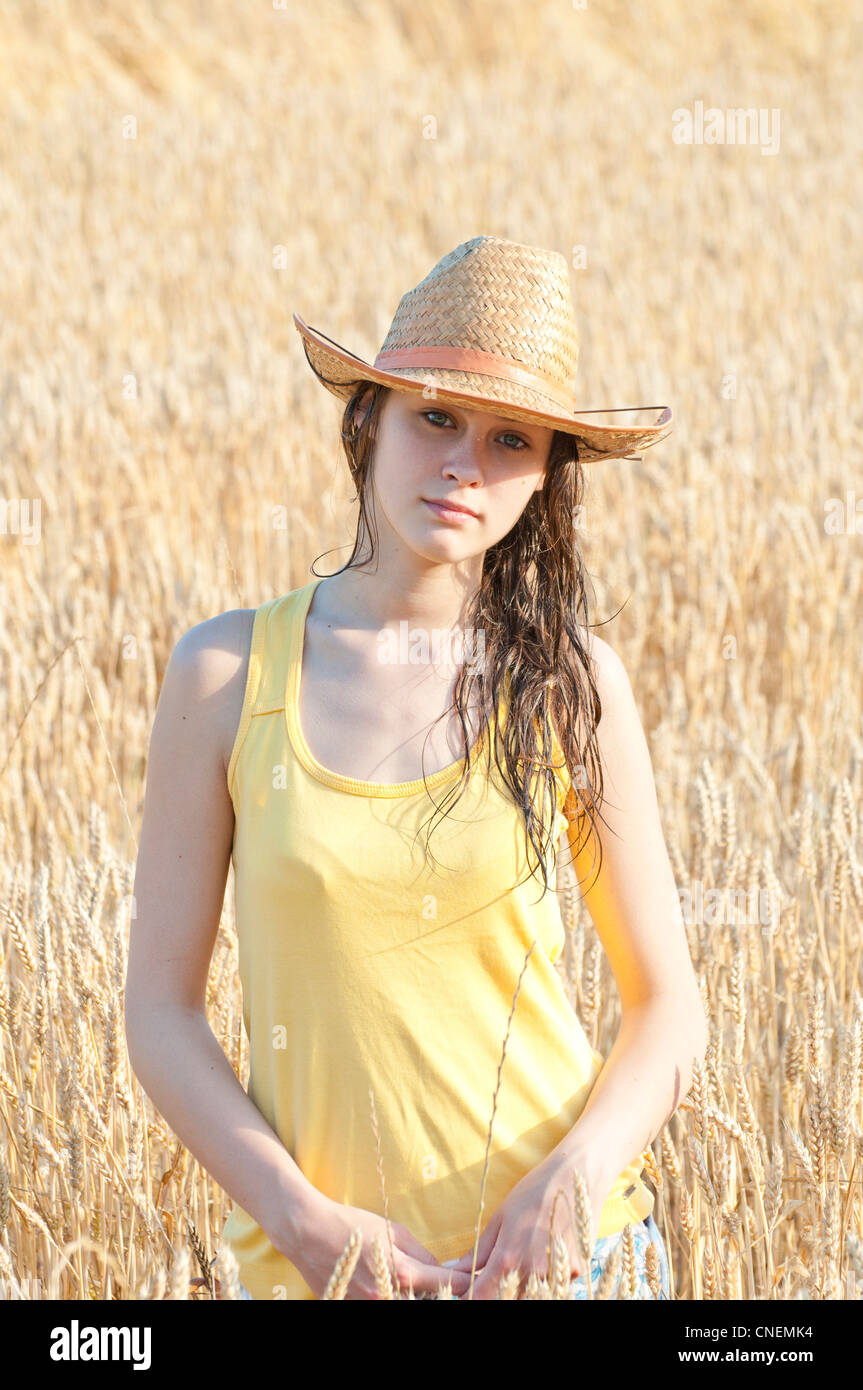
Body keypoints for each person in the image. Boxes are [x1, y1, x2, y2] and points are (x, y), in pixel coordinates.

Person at [125, 235, 707, 1301]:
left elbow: (665, 1003)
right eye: (434, 416)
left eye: (509, 438)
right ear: (367, 418)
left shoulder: (569, 684)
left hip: (563, 1272)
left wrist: (572, 1183)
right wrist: (305, 1227)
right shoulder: (224, 672)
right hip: (316, 1278)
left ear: (546, 474)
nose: (462, 463)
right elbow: (159, 1010)